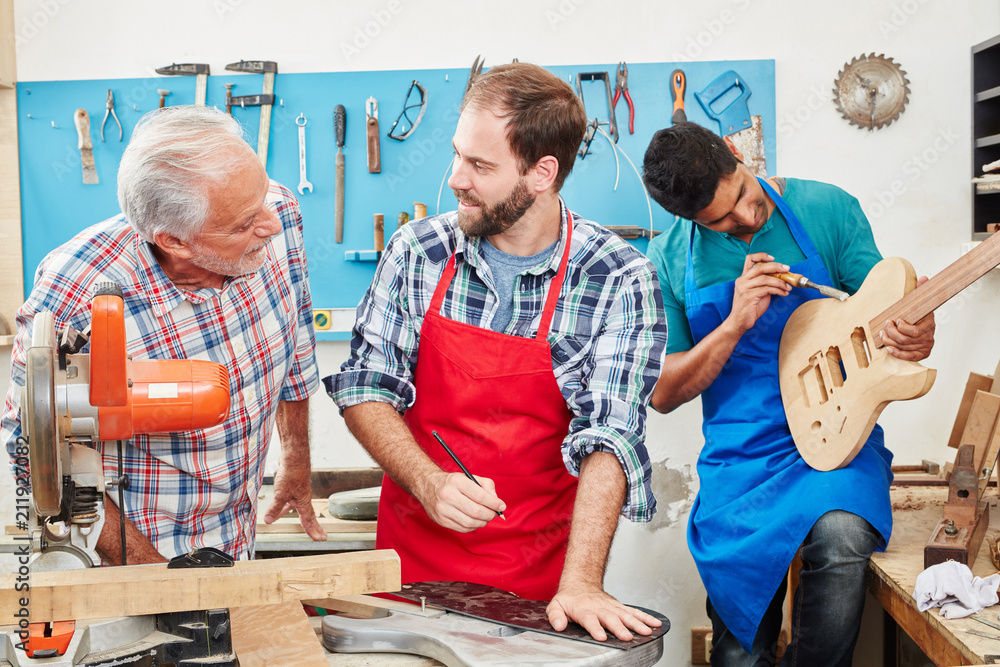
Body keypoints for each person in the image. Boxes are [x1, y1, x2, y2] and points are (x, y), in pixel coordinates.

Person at [325, 62, 667, 642]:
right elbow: (365, 388)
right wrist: (428, 482)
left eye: (480, 166)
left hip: (538, 582)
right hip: (411, 572)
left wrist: (582, 583)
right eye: (457, 155)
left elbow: (610, 436)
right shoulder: (418, 251)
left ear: (541, 173)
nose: (456, 178)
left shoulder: (617, 276)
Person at [642, 121, 935, 666]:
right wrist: (734, 323)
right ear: (687, 219)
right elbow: (663, 393)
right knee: (740, 645)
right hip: (741, 456)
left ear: (735, 152)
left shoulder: (828, 209)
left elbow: (889, 315)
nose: (746, 217)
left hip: (840, 434)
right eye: (721, 220)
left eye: (742, 195)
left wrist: (914, 335)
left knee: (843, 533)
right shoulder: (666, 260)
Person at [2, 105, 326, 565]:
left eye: (263, 202)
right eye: (243, 224)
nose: (271, 225)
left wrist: (295, 457)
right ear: (174, 240)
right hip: (136, 552)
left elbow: (298, 340)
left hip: (238, 539)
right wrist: (155, 576)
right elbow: (30, 451)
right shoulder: (75, 290)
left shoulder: (273, 214)